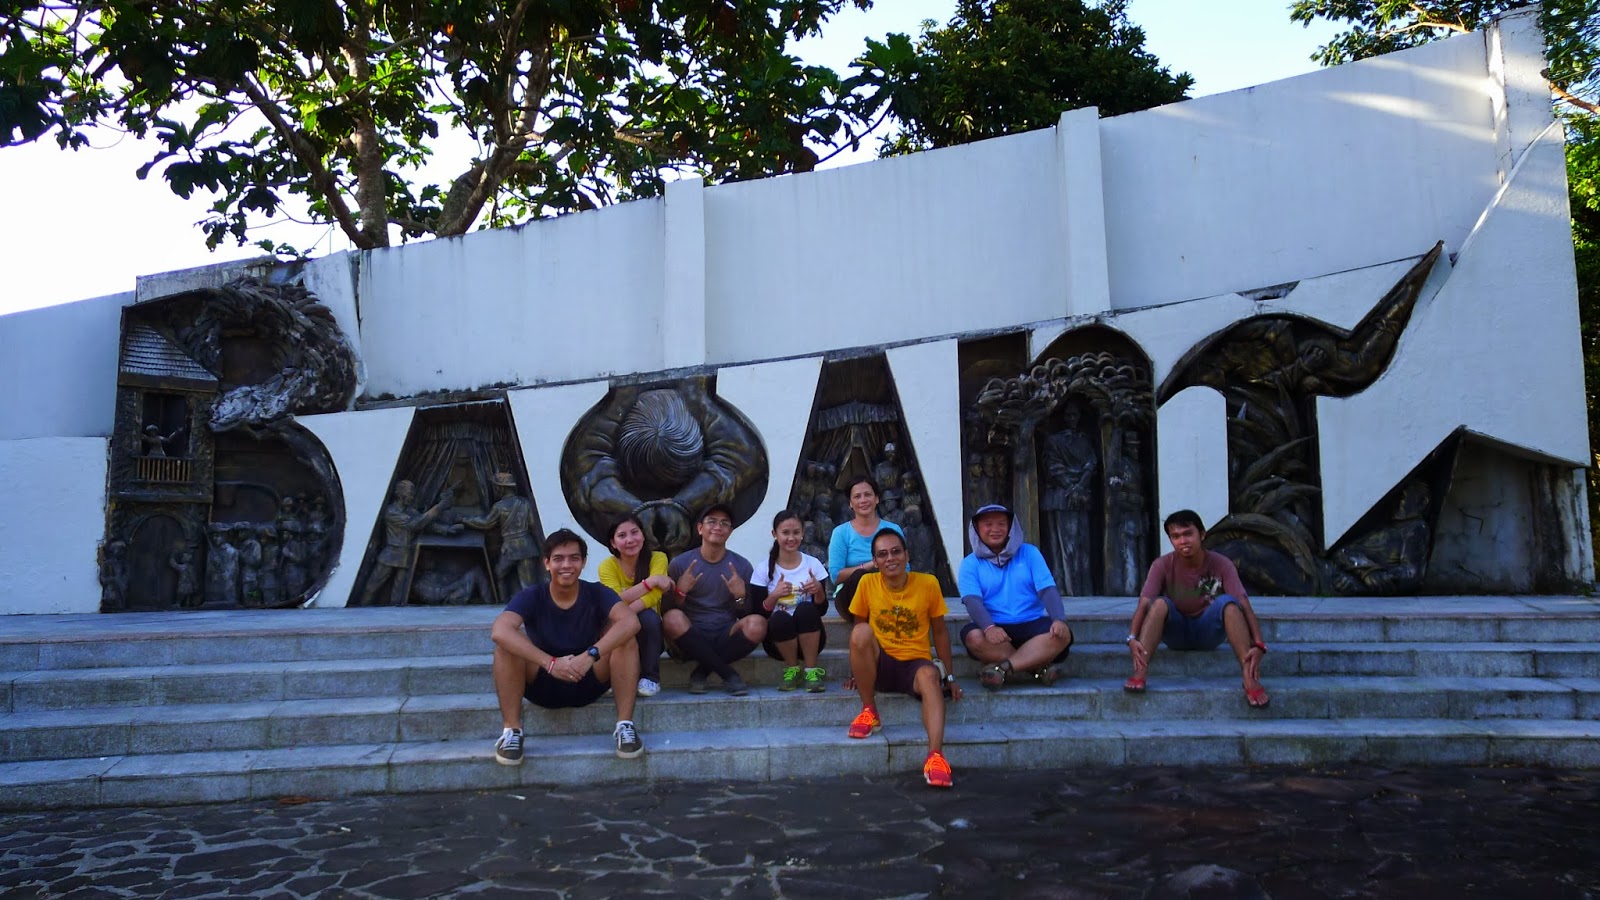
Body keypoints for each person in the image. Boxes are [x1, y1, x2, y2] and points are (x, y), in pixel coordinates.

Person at [490, 528, 644, 765]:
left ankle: (625, 726)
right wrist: (551, 663)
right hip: (542, 682)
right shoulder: (532, 595)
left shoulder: (597, 592)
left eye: (574, 558)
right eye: (558, 559)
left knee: (626, 640)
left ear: (583, 563)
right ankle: (512, 731)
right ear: (546, 564)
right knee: (506, 646)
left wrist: (590, 655)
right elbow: (499, 630)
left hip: (589, 677)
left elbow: (630, 622)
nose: (566, 565)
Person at [846, 528, 962, 789]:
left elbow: (941, 632)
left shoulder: (928, 583)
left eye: (896, 552)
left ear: (907, 555)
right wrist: (856, 671)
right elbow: (858, 632)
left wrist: (950, 677)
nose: (891, 559)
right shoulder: (867, 583)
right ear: (875, 561)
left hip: (915, 664)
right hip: (881, 662)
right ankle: (869, 711)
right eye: (883, 554)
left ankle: (936, 757)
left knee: (930, 675)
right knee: (861, 631)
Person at [1126, 510, 1270, 707]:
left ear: (1202, 534)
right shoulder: (1162, 565)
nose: (1183, 541)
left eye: (1188, 534)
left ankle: (1249, 676)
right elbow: (1143, 604)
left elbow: (1244, 605)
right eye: (1176, 536)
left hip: (1209, 631)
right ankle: (1140, 671)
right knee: (1159, 603)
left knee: (1228, 603)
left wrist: (1259, 644)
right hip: (1176, 632)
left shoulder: (1222, 564)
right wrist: (1132, 637)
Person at [958, 504, 1073, 689]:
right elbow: (972, 601)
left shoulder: (1030, 553)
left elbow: (1047, 589)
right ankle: (1037, 667)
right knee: (973, 637)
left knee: (1063, 634)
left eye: (1001, 524)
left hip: (1032, 624)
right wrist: (989, 628)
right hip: (996, 630)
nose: (995, 529)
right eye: (988, 524)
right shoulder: (969, 564)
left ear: (1011, 527)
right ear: (977, 528)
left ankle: (1003, 668)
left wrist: (1059, 619)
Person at [664, 504, 764, 695]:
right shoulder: (680, 564)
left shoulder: (742, 566)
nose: (718, 526)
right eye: (712, 522)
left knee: (758, 624)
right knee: (672, 618)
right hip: (691, 634)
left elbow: (746, 614)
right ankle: (728, 675)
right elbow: (666, 611)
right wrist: (681, 592)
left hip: (724, 633)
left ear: (730, 532)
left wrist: (740, 597)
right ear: (700, 528)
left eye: (724, 523)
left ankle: (702, 671)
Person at [750, 509, 830, 692]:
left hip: (811, 637)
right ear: (775, 534)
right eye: (785, 533)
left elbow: (822, 609)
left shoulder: (813, 564)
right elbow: (758, 613)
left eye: (796, 532)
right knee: (779, 617)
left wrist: (818, 591)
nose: (791, 538)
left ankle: (811, 671)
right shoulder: (763, 569)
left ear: (803, 533)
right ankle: (792, 669)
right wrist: (774, 596)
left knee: (806, 609)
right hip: (778, 640)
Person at [598, 514, 672, 698]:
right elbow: (615, 600)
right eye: (622, 536)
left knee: (647, 617)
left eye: (634, 532)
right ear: (613, 543)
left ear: (643, 535)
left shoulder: (658, 558)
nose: (630, 540)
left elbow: (655, 596)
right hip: (618, 626)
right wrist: (651, 582)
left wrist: (626, 614)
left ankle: (650, 678)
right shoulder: (607, 566)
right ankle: (607, 677)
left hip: (650, 632)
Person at [827, 476, 904, 624]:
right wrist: (869, 565)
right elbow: (835, 576)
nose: (863, 500)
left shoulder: (893, 530)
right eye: (857, 496)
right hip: (850, 598)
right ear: (850, 503)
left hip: (887, 593)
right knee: (861, 577)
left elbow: (905, 568)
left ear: (877, 499)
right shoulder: (841, 533)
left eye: (868, 495)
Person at [464, 472, 540, 594]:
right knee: (528, 583)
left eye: (496, 487)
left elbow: (486, 523)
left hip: (511, 548)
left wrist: (465, 520)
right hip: (527, 546)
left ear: (501, 488)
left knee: (499, 574)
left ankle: (504, 603)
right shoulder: (525, 503)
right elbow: (532, 524)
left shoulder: (499, 507)